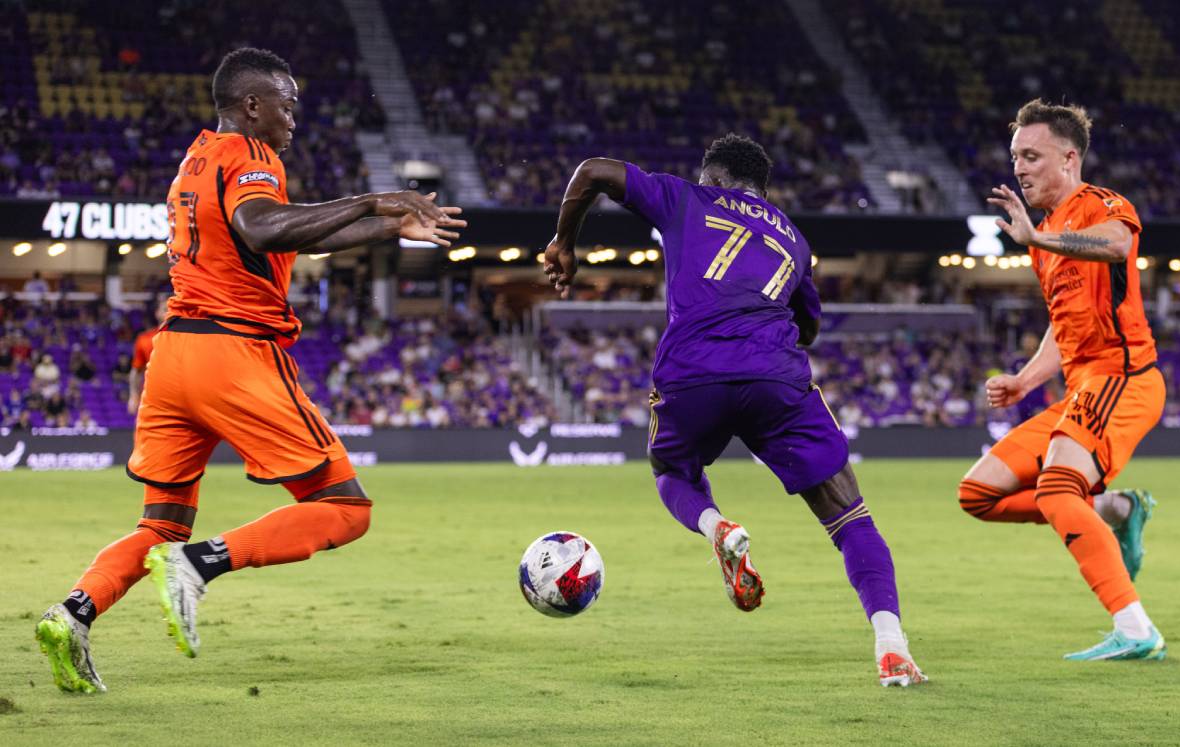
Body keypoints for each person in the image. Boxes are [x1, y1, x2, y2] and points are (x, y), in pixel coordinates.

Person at [35, 47, 467, 694]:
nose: (294, 115)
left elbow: (284, 235)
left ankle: (72, 613)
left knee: (159, 522)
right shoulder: (253, 156)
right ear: (252, 105)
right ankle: (198, 564)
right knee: (344, 509)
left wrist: (384, 225)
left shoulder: (197, 157)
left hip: (174, 356)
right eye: (286, 103)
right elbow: (262, 228)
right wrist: (373, 197)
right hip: (231, 353)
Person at [543, 134, 926, 687]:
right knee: (849, 516)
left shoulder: (687, 200)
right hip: (775, 376)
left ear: (715, 179)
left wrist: (564, 240)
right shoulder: (793, 238)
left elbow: (594, 170)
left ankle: (715, 524)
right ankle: (892, 645)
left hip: (692, 370)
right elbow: (811, 325)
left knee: (672, 471)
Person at [960, 99, 1165, 661]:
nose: (1019, 168)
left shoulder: (1101, 204)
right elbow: (1062, 322)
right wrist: (1026, 380)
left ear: (1069, 157)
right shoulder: (1046, 232)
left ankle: (1135, 629)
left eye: (1032, 156)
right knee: (976, 493)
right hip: (1081, 387)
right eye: (1014, 157)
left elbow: (1120, 245)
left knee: (1056, 490)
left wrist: (1038, 241)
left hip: (1123, 378)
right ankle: (1117, 509)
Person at [128, 296, 168, 415]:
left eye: (173, 309)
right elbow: (136, 371)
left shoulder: (188, 338)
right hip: (153, 400)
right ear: (157, 313)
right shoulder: (144, 339)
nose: (170, 312)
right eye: (166, 309)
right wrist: (133, 396)